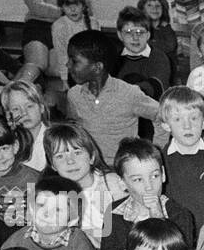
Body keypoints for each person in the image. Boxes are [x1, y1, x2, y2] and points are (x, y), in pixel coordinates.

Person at [105, 137, 198, 250]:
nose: (149, 186)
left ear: (163, 175)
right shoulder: (113, 212)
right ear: (122, 183)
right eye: (138, 179)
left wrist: (157, 217)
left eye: (154, 176)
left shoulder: (180, 215)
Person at [65, 30, 160, 167]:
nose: (67, 65)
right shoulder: (73, 95)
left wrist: (157, 150)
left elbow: (161, 115)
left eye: (74, 61)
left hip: (123, 169)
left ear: (97, 67)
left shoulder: (129, 94)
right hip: (90, 169)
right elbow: (73, 128)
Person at [157, 85, 204, 224]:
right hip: (176, 238)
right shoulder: (160, 161)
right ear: (166, 125)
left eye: (193, 118)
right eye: (178, 119)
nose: (187, 126)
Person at [113, 6, 173, 92]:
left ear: (148, 35)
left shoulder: (158, 57)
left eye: (140, 32)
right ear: (120, 35)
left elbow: (156, 88)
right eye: (129, 32)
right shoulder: (114, 59)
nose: (135, 38)